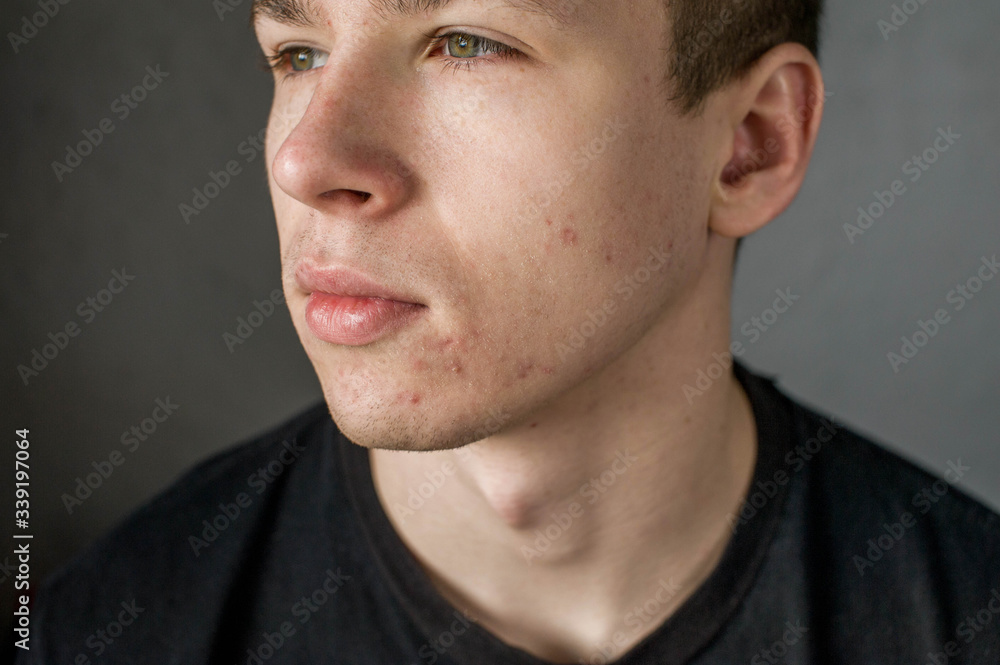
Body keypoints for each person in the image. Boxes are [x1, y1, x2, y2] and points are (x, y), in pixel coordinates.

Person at [20, 0, 1000, 663]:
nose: (307, 159)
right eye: (298, 52)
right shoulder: (101, 630)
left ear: (749, 145)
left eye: (467, 42)